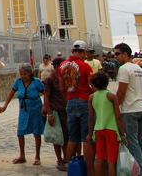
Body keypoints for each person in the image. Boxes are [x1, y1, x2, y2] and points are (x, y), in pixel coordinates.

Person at [114, 42, 142, 176]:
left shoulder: (124, 69)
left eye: (117, 54)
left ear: (125, 54)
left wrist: (115, 106)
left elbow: (122, 92)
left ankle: (141, 172)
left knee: (133, 142)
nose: (115, 57)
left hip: (130, 109)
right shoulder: (138, 69)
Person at [60, 40, 96, 176]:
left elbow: (61, 87)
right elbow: (92, 85)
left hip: (70, 101)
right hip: (84, 100)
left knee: (73, 138)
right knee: (87, 137)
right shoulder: (85, 66)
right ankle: (90, 170)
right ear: (84, 52)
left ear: (72, 51)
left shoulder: (62, 66)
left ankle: (70, 167)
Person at [0, 63, 46, 165]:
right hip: (24, 110)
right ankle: (22, 155)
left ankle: (37, 156)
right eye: (21, 74)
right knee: (20, 132)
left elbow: (46, 93)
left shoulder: (36, 82)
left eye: (25, 74)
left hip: (36, 109)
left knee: (36, 132)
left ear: (30, 73)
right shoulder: (18, 82)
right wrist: (5, 105)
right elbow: (11, 93)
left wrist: (45, 106)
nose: (23, 76)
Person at [87, 71, 125, 176]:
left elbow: (91, 118)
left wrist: (90, 134)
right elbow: (118, 117)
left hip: (98, 130)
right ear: (106, 83)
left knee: (100, 158)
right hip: (111, 130)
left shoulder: (91, 97)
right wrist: (122, 134)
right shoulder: (111, 96)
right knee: (111, 161)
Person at [43, 56, 69, 171]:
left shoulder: (64, 77)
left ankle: (67, 158)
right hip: (56, 111)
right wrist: (50, 114)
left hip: (66, 110)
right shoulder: (50, 79)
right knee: (58, 138)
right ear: (58, 66)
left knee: (66, 137)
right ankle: (59, 159)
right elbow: (46, 97)